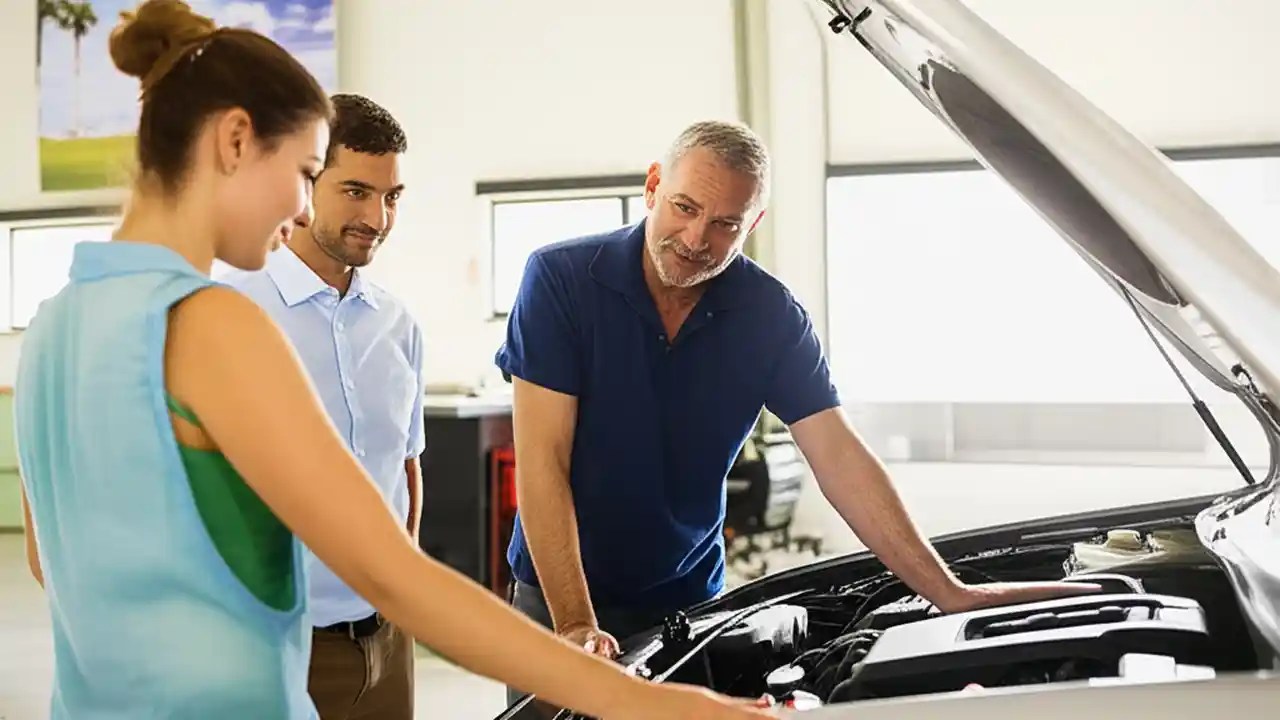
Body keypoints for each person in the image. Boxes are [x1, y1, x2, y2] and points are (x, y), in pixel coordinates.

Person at [13, 3, 775, 719]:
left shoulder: (53, 328)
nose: (298, 207)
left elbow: (54, 567)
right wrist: (667, 704)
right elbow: (396, 577)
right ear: (236, 141)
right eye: (305, 170)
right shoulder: (212, 322)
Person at [495, 119, 1100, 698]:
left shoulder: (769, 315)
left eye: (726, 224)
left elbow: (839, 457)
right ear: (653, 186)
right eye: (684, 207)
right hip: (554, 593)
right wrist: (574, 622)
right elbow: (543, 460)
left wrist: (949, 592)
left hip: (686, 599)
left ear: (753, 222)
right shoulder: (562, 278)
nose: (697, 240)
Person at [220, 94, 421, 720]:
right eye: (356, 191)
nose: (378, 217)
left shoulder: (398, 323)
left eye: (391, 196)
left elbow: (405, 467)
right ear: (305, 183)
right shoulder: (230, 312)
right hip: (274, 646)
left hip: (389, 639)